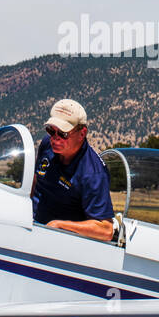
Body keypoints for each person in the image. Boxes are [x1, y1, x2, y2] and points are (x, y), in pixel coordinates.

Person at [31, 99, 114, 242]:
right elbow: (36, 179)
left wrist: (59, 225)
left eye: (63, 134)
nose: (55, 139)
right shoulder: (47, 143)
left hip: (62, 239)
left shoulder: (93, 174)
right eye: (51, 130)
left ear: (82, 134)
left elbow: (106, 229)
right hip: (32, 224)